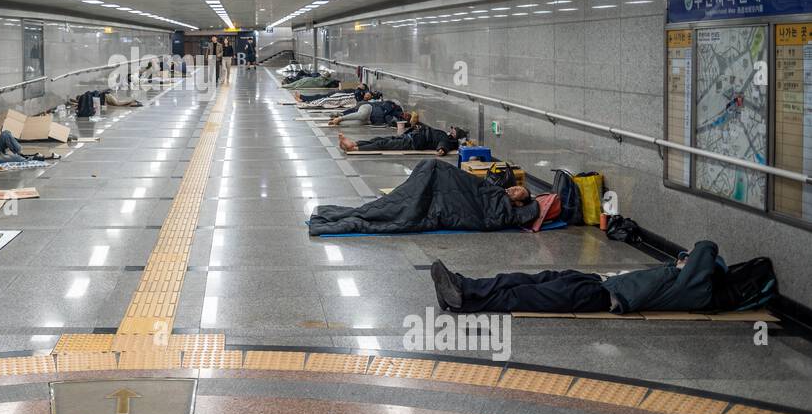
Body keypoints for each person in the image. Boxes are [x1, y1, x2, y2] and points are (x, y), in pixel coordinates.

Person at [430, 241, 727, 314]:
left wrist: (684, 264)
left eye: (691, 264)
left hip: (602, 298)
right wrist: (679, 264)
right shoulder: (682, 279)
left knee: (522, 296)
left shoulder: (697, 292)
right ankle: (462, 285)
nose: (684, 262)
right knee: (525, 279)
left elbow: (707, 246)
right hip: (596, 282)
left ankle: (462, 302)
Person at [308, 159, 539, 236]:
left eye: (518, 192)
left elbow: (475, 212)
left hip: (440, 202)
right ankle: (335, 215)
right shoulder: (496, 192)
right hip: (443, 185)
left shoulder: (501, 211)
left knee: (394, 211)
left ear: (518, 203)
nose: (512, 189)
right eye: (515, 188)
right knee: (393, 201)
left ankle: (334, 218)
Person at [338, 122, 466, 155]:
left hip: (412, 142)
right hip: (410, 136)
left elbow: (444, 145)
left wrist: (442, 150)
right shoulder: (445, 135)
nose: (451, 129)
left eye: (454, 130)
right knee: (378, 139)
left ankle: (355, 148)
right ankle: (353, 143)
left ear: (455, 135)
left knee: (383, 143)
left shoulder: (447, 139)